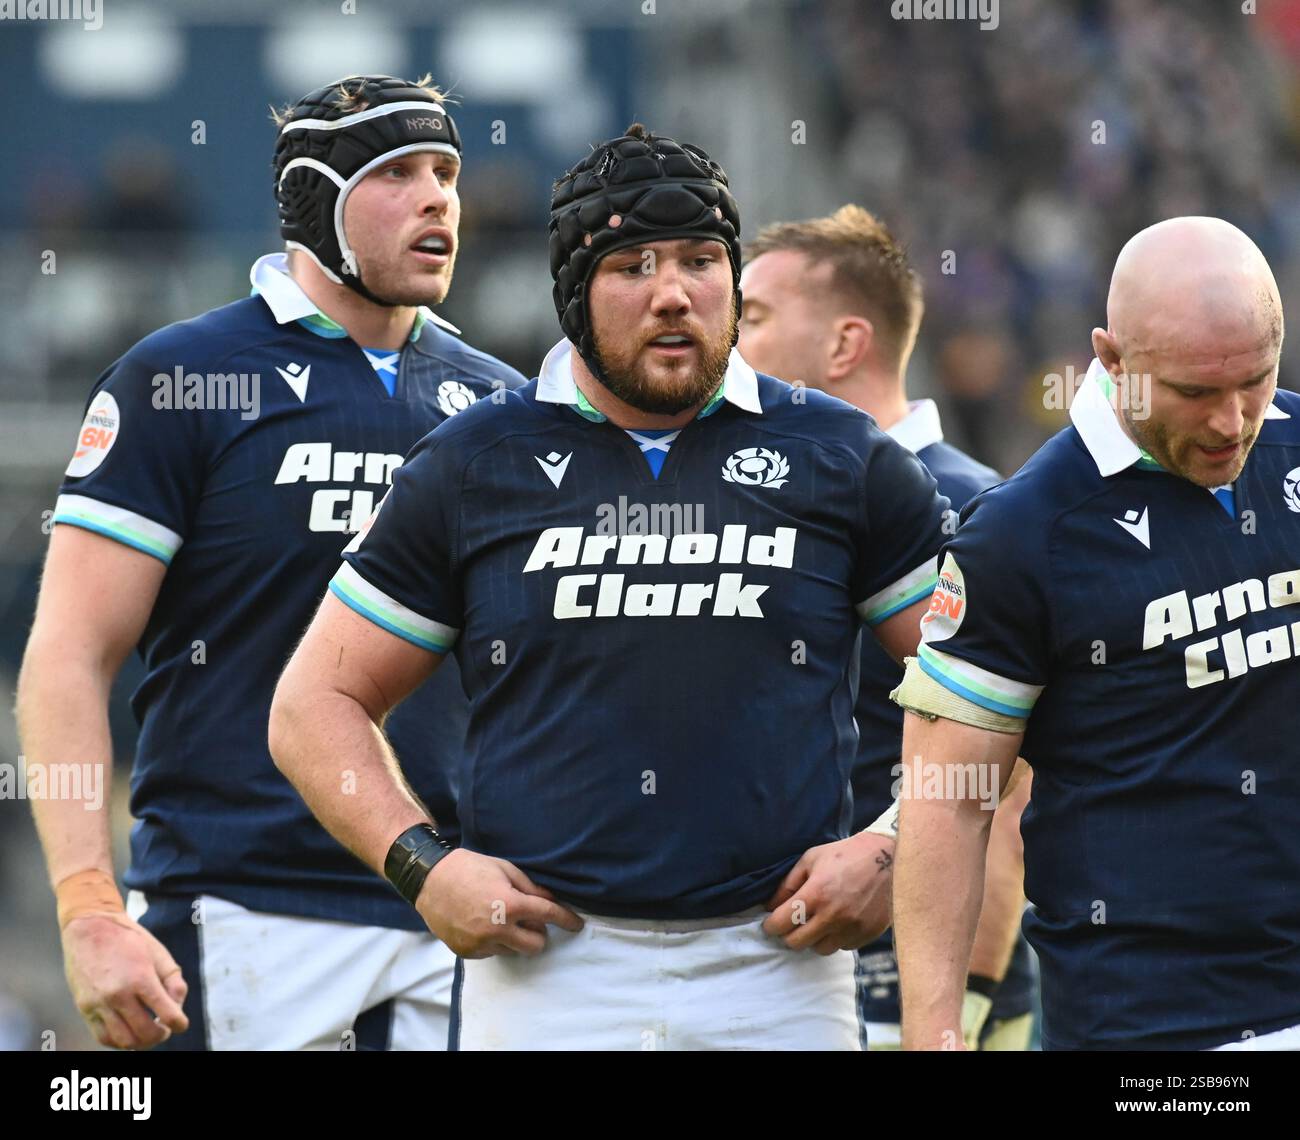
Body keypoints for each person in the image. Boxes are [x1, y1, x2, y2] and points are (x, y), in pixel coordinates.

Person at [269, 125, 952, 1051]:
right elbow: (315, 703)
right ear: (574, 295)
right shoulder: (476, 462)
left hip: (782, 973)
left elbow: (983, 694)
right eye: (632, 264)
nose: (673, 293)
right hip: (550, 973)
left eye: (702, 261)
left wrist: (895, 845)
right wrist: (423, 868)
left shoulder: (842, 457)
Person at [16, 75, 523, 1051]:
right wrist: (88, 904)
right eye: (399, 173)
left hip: (455, 920)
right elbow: (69, 654)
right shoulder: (179, 380)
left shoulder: (501, 405)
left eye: (447, 172)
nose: (438, 199)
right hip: (237, 914)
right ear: (316, 201)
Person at [893, 216, 1300, 1050]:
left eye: (1255, 381)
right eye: (1194, 393)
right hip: (1152, 1026)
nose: (1232, 422)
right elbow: (950, 806)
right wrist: (934, 1031)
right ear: (1112, 359)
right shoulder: (1020, 534)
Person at [739, 204, 1036, 1051]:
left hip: (915, 981)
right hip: (788, 968)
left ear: (844, 345)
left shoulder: (979, 511)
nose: (728, 339)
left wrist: (961, 1003)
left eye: (754, 317)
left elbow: (1010, 774)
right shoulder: (769, 498)